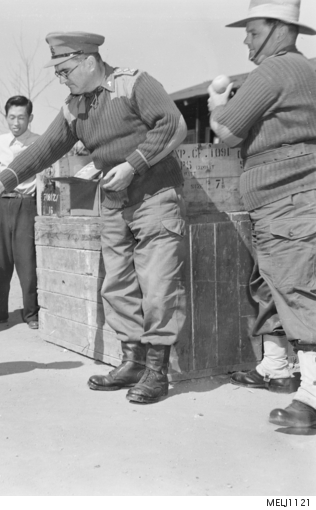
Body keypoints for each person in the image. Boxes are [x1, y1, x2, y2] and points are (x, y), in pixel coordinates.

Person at [0, 32, 187, 404]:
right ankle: (132, 361)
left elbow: (173, 125)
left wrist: (133, 165)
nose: (61, 78)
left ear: (89, 61)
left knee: (158, 284)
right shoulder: (74, 107)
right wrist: (0, 182)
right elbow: (43, 150)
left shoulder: (134, 84)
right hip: (115, 202)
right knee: (117, 284)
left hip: (155, 197)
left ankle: (157, 371)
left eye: (65, 70)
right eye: (57, 72)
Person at [208, 0, 316, 427]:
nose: (246, 41)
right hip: (292, 198)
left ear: (278, 29)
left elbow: (228, 132)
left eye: (253, 32)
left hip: (286, 199)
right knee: (275, 283)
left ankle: (311, 397)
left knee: (295, 289)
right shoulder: (306, 70)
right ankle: (277, 366)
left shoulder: (273, 70)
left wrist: (219, 103)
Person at [0, 96, 40, 329]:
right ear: (6, 117)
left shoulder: (39, 142)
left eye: (21, 117)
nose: (16, 122)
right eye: (12, 117)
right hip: (2, 204)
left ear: (30, 118)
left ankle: (31, 313)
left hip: (26, 204)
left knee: (27, 261)